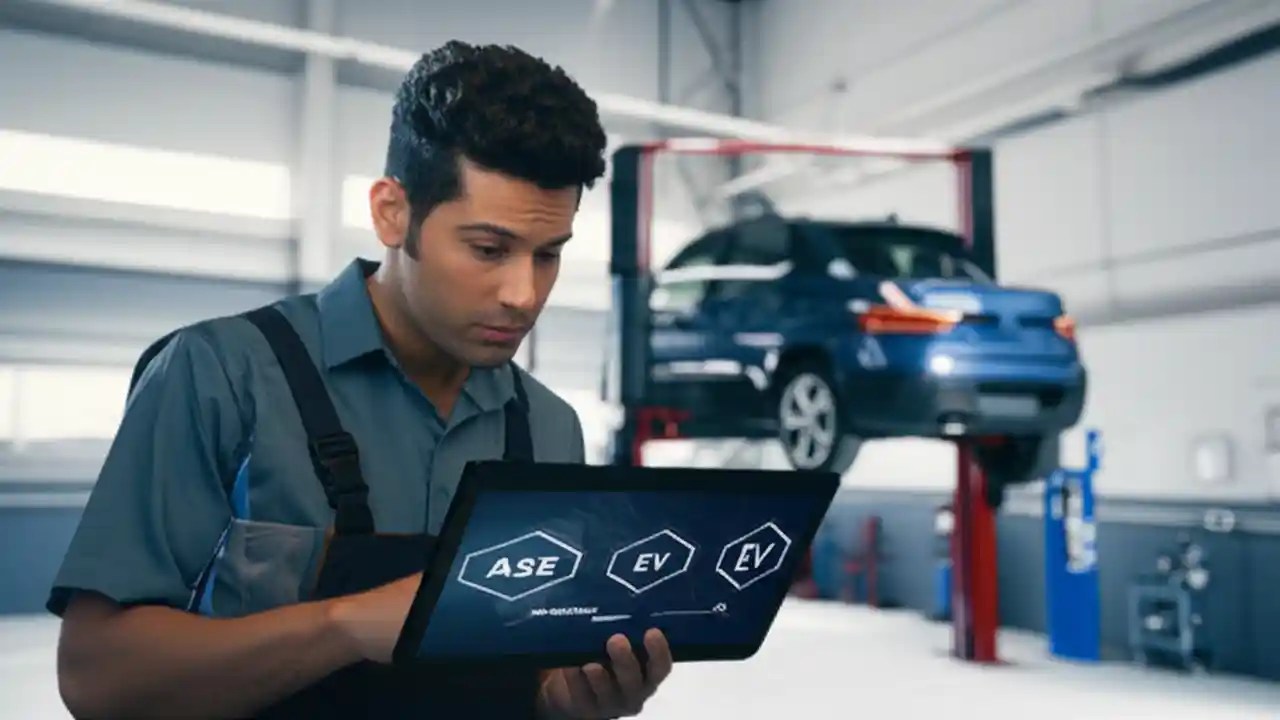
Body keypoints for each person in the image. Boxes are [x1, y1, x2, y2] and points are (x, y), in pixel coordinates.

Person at [49, 40, 673, 719]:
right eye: (488, 250)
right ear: (391, 213)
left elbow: (535, 671)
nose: (524, 294)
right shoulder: (220, 376)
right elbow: (97, 678)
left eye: (548, 255)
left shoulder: (550, 427)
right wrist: (344, 625)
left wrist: (564, 699)